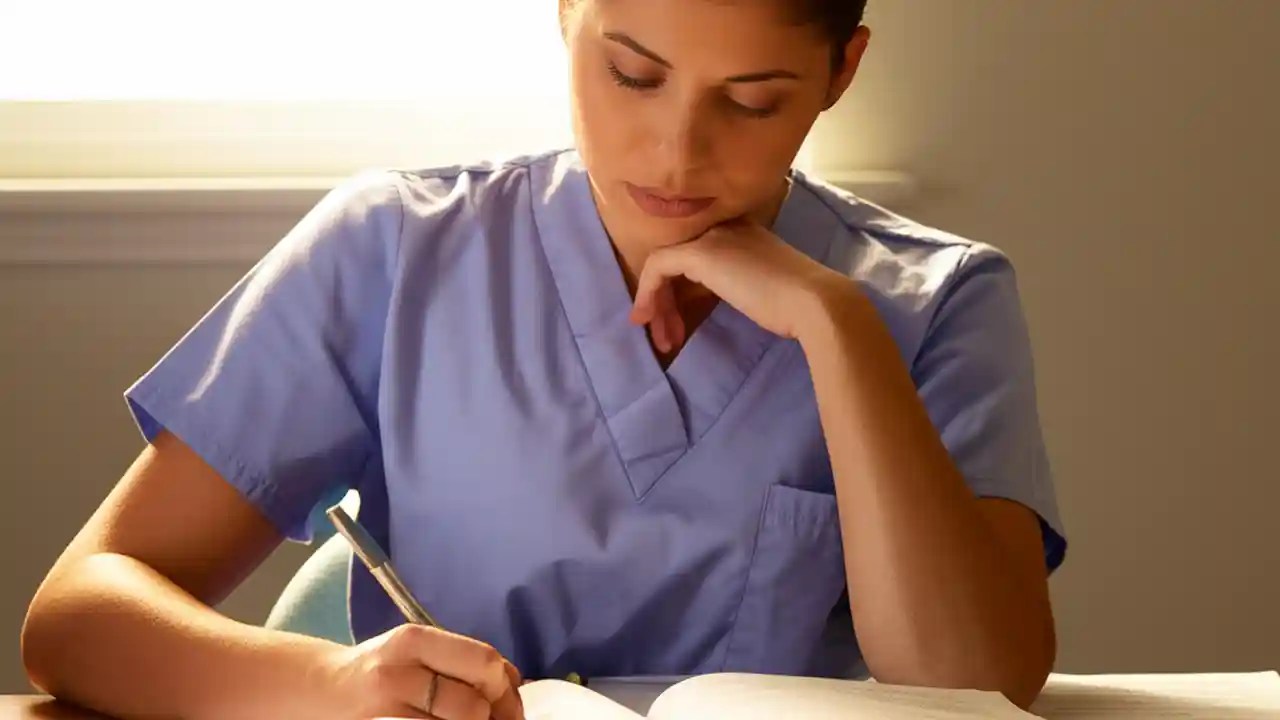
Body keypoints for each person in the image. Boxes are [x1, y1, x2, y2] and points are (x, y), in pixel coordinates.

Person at [20, 0, 1068, 718]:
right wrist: (322, 689)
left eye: (751, 102)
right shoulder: (396, 248)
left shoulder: (936, 303)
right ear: (564, 12)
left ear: (841, 73)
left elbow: (976, 687)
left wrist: (837, 335)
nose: (675, 152)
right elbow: (78, 615)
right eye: (631, 73)